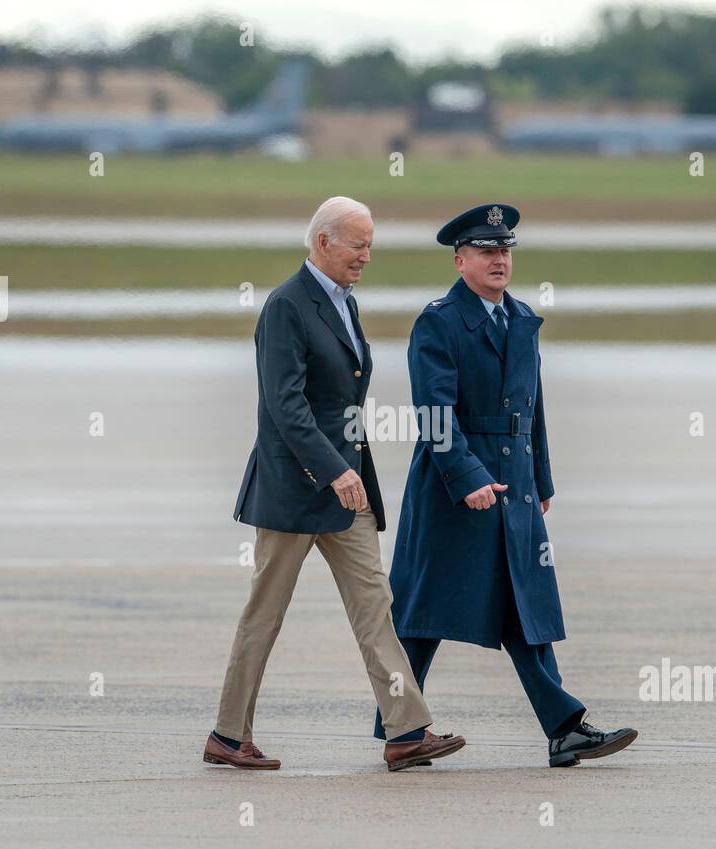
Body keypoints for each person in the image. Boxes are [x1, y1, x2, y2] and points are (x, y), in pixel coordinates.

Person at [372, 203, 638, 767]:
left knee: (527, 607)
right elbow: (434, 414)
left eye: (506, 250)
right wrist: (467, 477)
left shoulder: (520, 319)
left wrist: (540, 479)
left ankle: (564, 728)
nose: (499, 260)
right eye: (487, 251)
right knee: (422, 614)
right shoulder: (439, 321)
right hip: (452, 491)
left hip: (514, 490)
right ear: (460, 259)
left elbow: (532, 411)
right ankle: (401, 734)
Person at [205, 196, 466, 772]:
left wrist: (352, 473)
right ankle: (228, 736)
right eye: (357, 244)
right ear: (323, 242)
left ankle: (406, 731)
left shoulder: (345, 304)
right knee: (264, 616)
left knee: (375, 607)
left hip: (349, 492)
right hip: (294, 490)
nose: (366, 256)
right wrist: (335, 469)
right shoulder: (286, 307)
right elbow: (285, 405)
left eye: (370, 244)